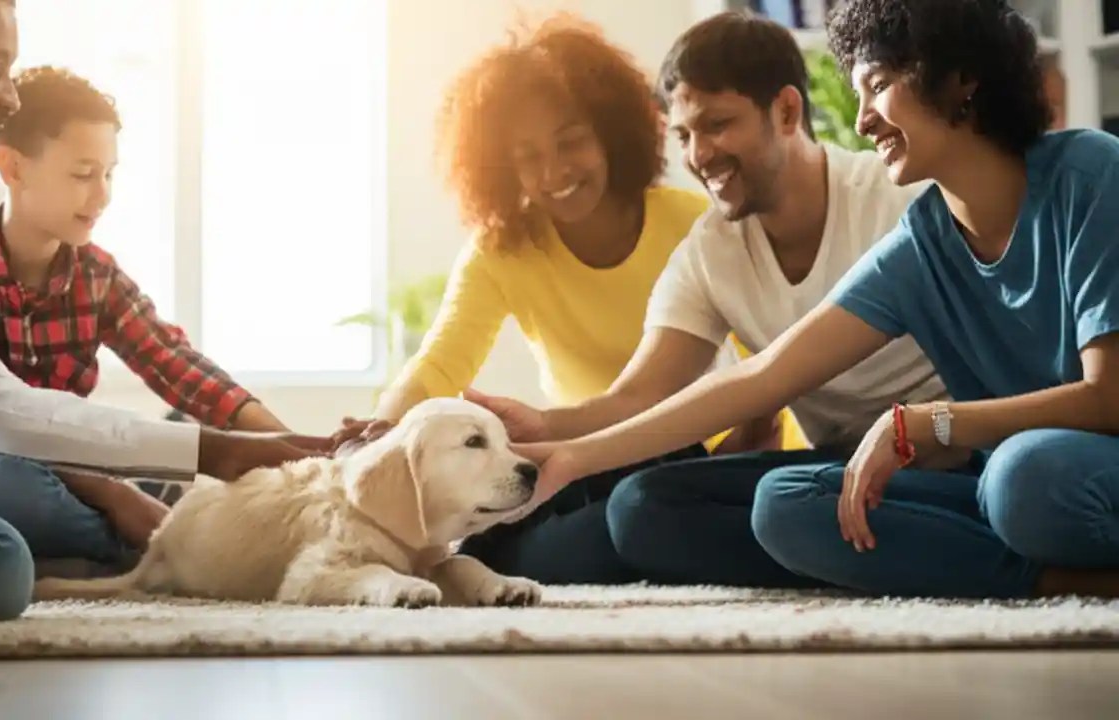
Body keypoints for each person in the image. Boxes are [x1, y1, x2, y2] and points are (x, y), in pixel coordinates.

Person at [515, 0, 1119, 600]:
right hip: (994, 480)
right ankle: (1062, 580)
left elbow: (1109, 396)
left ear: (961, 77)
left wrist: (925, 424)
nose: (862, 121)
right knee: (785, 503)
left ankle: (987, 556)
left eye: (878, 86)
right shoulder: (921, 242)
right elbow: (764, 376)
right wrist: (573, 455)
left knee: (1025, 478)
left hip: (1064, 472)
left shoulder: (1089, 174)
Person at [0, 0, 324, 624]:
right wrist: (122, 488)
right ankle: (153, 549)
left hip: (47, 475)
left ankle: (138, 548)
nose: (9, 99)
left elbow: (4, 406)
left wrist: (248, 450)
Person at [463, 11, 947, 587]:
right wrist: (543, 425)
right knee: (637, 500)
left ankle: (863, 550)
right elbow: (639, 396)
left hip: (936, 463)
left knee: (647, 512)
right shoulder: (711, 250)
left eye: (717, 125)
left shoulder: (895, 200)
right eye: (684, 135)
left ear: (786, 111)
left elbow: (764, 381)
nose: (699, 155)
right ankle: (474, 555)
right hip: (831, 467)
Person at [336, 14, 790, 584]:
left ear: (610, 133)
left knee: (627, 513)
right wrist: (379, 437)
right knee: (484, 550)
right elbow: (440, 365)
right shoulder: (501, 251)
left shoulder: (692, 224)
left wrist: (737, 457)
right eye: (527, 157)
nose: (553, 171)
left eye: (571, 142)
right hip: (572, 464)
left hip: (687, 453)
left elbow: (763, 367)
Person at [0, 66, 296, 575]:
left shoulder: (96, 273)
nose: (102, 196)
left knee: (191, 428)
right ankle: (155, 546)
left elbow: (177, 364)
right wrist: (114, 494)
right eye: (83, 175)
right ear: (13, 167)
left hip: (83, 478)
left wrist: (299, 452)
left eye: (109, 174)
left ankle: (115, 545)